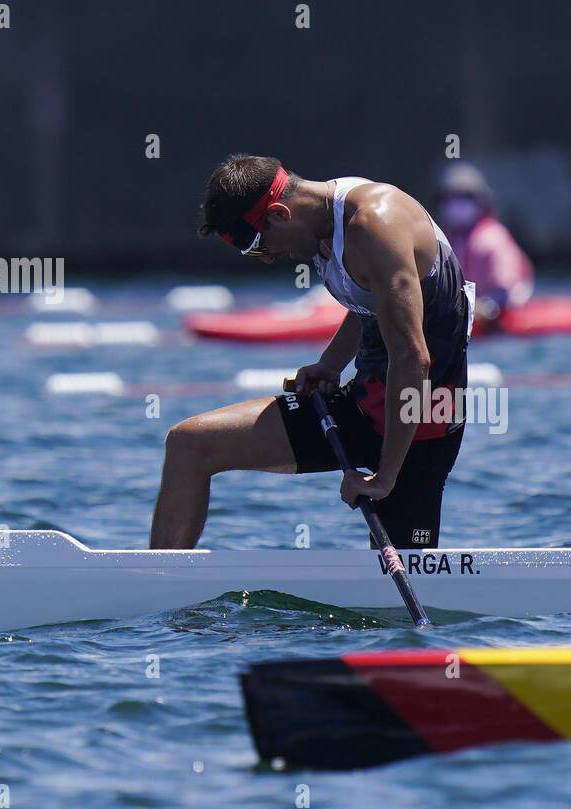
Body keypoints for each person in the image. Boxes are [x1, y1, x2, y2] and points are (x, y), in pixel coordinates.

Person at [150, 155, 472, 550]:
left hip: (420, 427)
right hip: (362, 407)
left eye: (258, 245)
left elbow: (413, 360)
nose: (266, 257)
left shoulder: (374, 225)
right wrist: (330, 364)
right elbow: (371, 303)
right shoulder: (320, 225)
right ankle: (161, 585)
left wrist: (385, 477)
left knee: (389, 604)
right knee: (188, 444)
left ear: (280, 213)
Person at [434, 162, 534, 328]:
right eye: (450, 198)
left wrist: (485, 309)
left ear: (481, 202)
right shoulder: (443, 239)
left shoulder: (493, 238)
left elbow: (504, 291)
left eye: (465, 198)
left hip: (502, 315)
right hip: (467, 311)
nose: (457, 205)